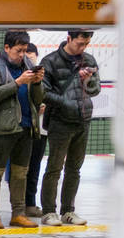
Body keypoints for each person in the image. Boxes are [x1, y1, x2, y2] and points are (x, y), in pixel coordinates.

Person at [0, 30, 44, 228]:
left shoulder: (28, 65)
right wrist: (18, 82)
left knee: (20, 172)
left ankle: (18, 212)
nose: (22, 55)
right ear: (7, 48)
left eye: (25, 50)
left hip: (27, 126)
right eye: (18, 50)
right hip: (4, 127)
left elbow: (38, 98)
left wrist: (38, 82)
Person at [39, 29, 100, 225]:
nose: (82, 48)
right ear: (69, 39)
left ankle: (68, 211)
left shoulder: (89, 60)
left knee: (74, 168)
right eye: (79, 44)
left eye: (86, 44)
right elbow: (43, 92)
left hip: (83, 120)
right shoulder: (50, 61)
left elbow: (95, 90)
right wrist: (66, 103)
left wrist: (88, 81)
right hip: (60, 121)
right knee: (54, 168)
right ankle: (48, 211)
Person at [21, 42, 47, 217]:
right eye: (25, 53)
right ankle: (19, 204)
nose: (29, 56)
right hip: (22, 126)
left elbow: (49, 94)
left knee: (35, 166)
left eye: (31, 54)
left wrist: (45, 104)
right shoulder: (20, 74)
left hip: (40, 128)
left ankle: (30, 203)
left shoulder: (42, 74)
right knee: (21, 167)